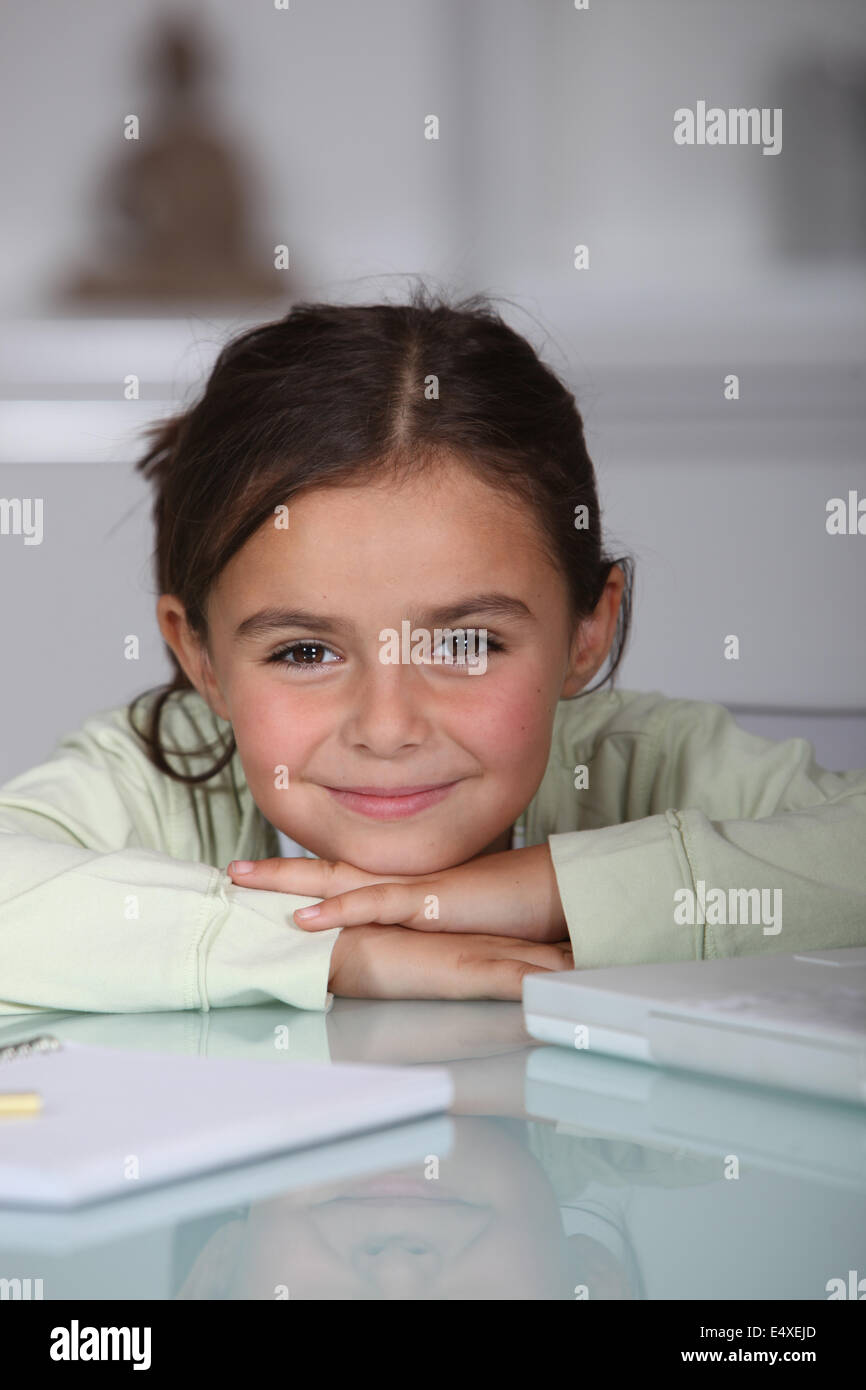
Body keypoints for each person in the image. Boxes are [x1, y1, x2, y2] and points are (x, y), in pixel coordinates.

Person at [1, 285, 863, 1015]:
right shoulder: (156, 783)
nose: (387, 726)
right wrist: (330, 952)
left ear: (586, 630)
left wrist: (554, 891)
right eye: (304, 653)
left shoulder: (646, 767)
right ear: (200, 659)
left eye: (462, 642)